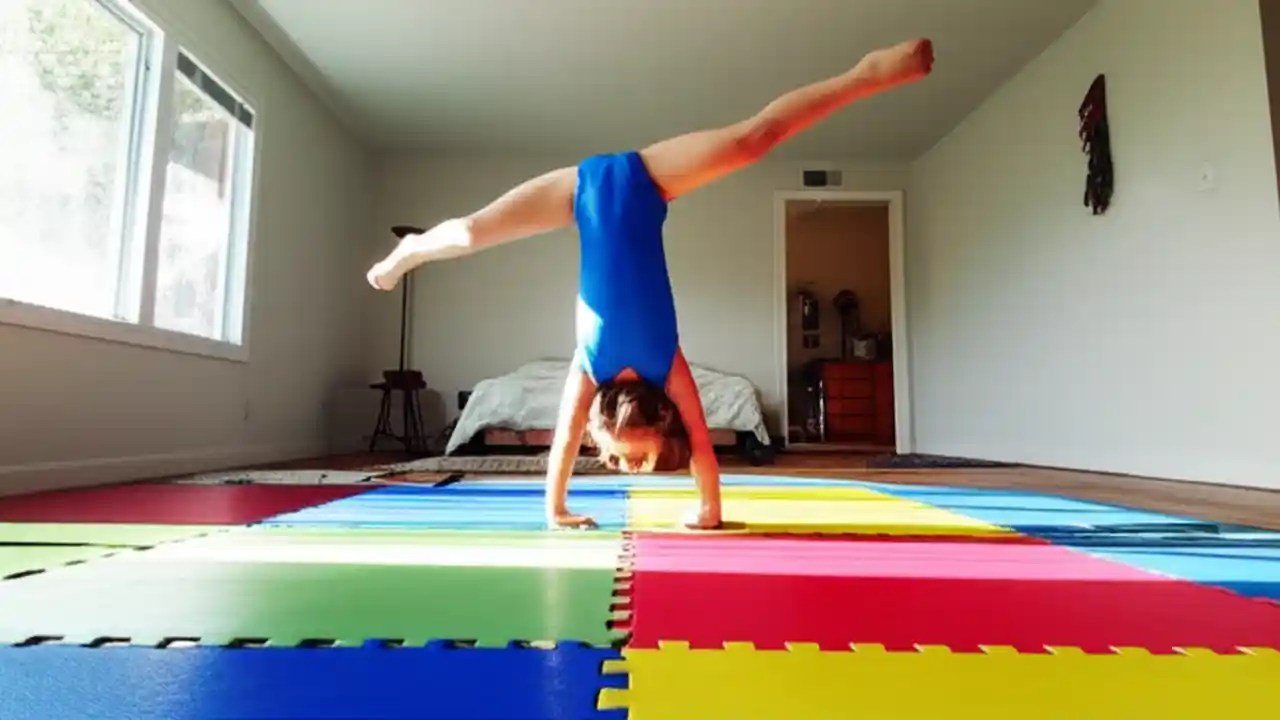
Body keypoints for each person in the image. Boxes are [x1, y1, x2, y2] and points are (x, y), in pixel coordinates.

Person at [367, 38, 935, 530]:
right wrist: (709, 508)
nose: (622, 466)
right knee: (466, 234)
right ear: (662, 426)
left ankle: (865, 77)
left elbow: (564, 443)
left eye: (621, 464)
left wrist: (555, 509)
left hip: (578, 191)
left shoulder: (587, 370)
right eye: (633, 464)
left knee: (752, 141)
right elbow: (704, 445)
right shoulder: (669, 368)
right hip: (645, 180)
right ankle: (412, 249)